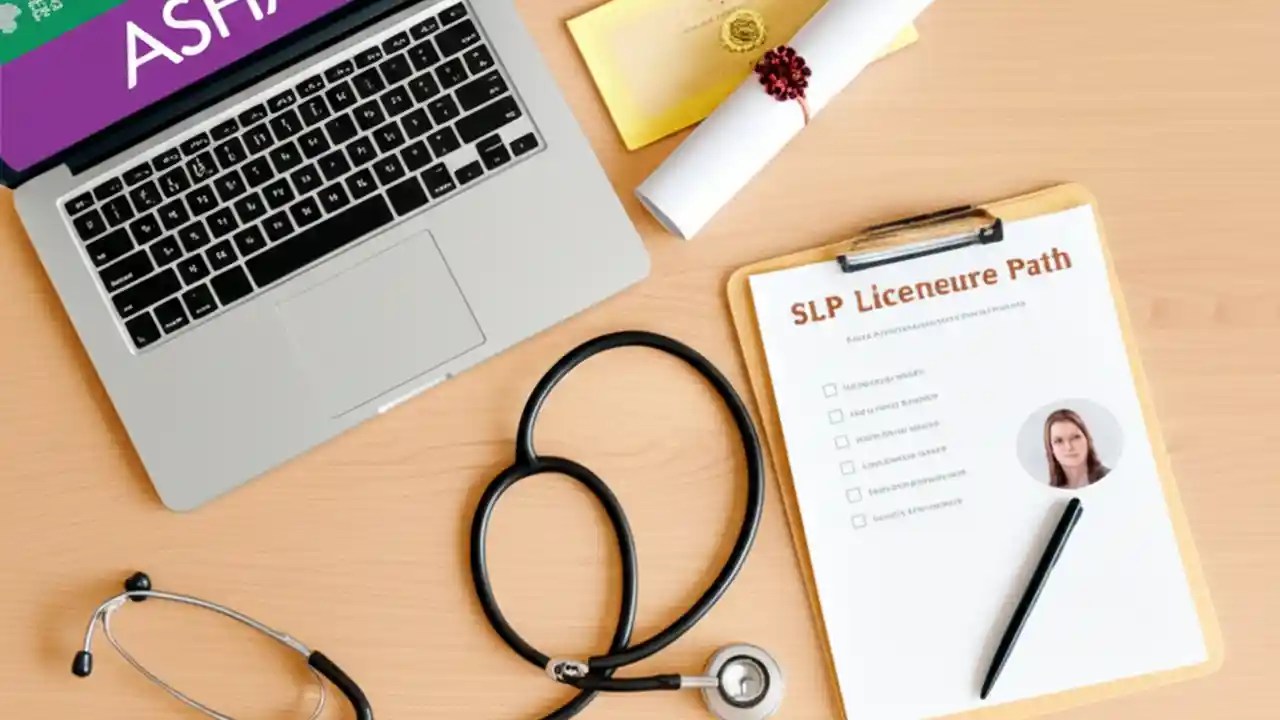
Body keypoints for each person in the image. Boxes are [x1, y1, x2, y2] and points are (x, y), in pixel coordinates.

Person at [1043, 409, 1110, 489]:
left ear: (1087, 440)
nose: (1069, 447)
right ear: (1051, 449)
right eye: (1059, 441)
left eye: (1075, 437)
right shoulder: (1049, 493)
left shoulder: (1112, 479)